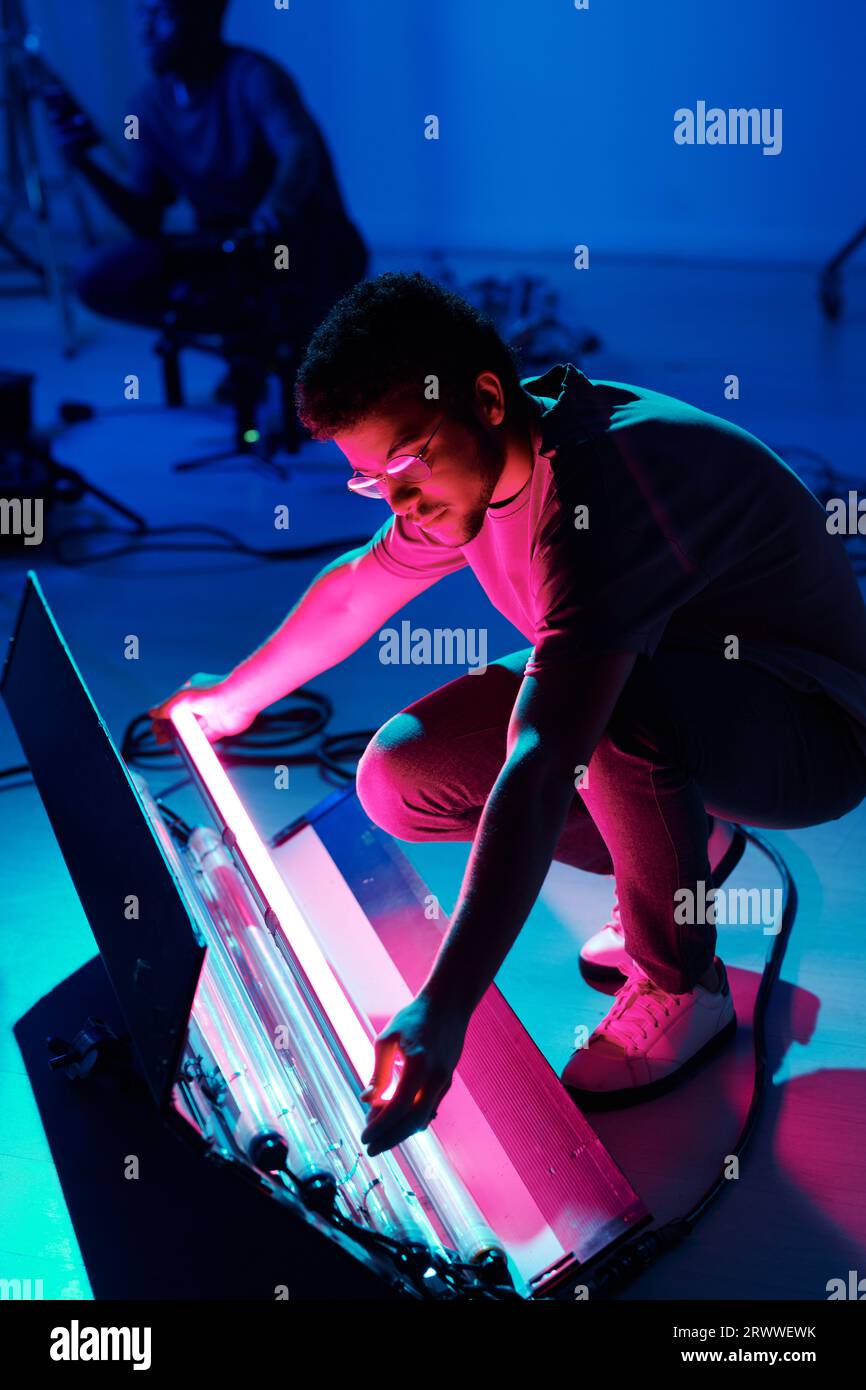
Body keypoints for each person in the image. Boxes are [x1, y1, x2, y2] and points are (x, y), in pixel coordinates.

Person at [150, 272, 866, 1156]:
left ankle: (684, 984)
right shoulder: (470, 473)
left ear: (488, 399)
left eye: (408, 461)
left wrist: (444, 1007)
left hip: (809, 726)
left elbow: (540, 762)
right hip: (679, 679)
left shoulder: (601, 488)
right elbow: (357, 591)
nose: (401, 499)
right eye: (373, 481)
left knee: (608, 714)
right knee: (399, 777)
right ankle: (693, 845)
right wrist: (232, 700)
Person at [47, 0, 367, 392]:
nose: (145, 31)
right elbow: (146, 219)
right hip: (223, 251)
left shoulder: (255, 77)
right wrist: (83, 163)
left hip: (300, 243)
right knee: (95, 275)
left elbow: (297, 148)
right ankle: (252, 341)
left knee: (282, 270)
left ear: (206, 18)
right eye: (141, 15)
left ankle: (291, 342)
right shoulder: (146, 107)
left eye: (161, 14)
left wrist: (277, 203)